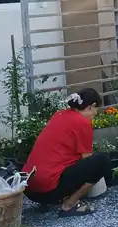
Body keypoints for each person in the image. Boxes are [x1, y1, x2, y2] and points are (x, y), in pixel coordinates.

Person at [22, 88, 112, 217]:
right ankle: (70, 204)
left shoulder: (59, 115)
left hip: (29, 189)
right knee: (102, 161)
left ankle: (52, 201)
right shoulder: (82, 122)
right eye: (96, 109)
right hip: (48, 191)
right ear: (91, 106)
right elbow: (86, 158)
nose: (95, 113)